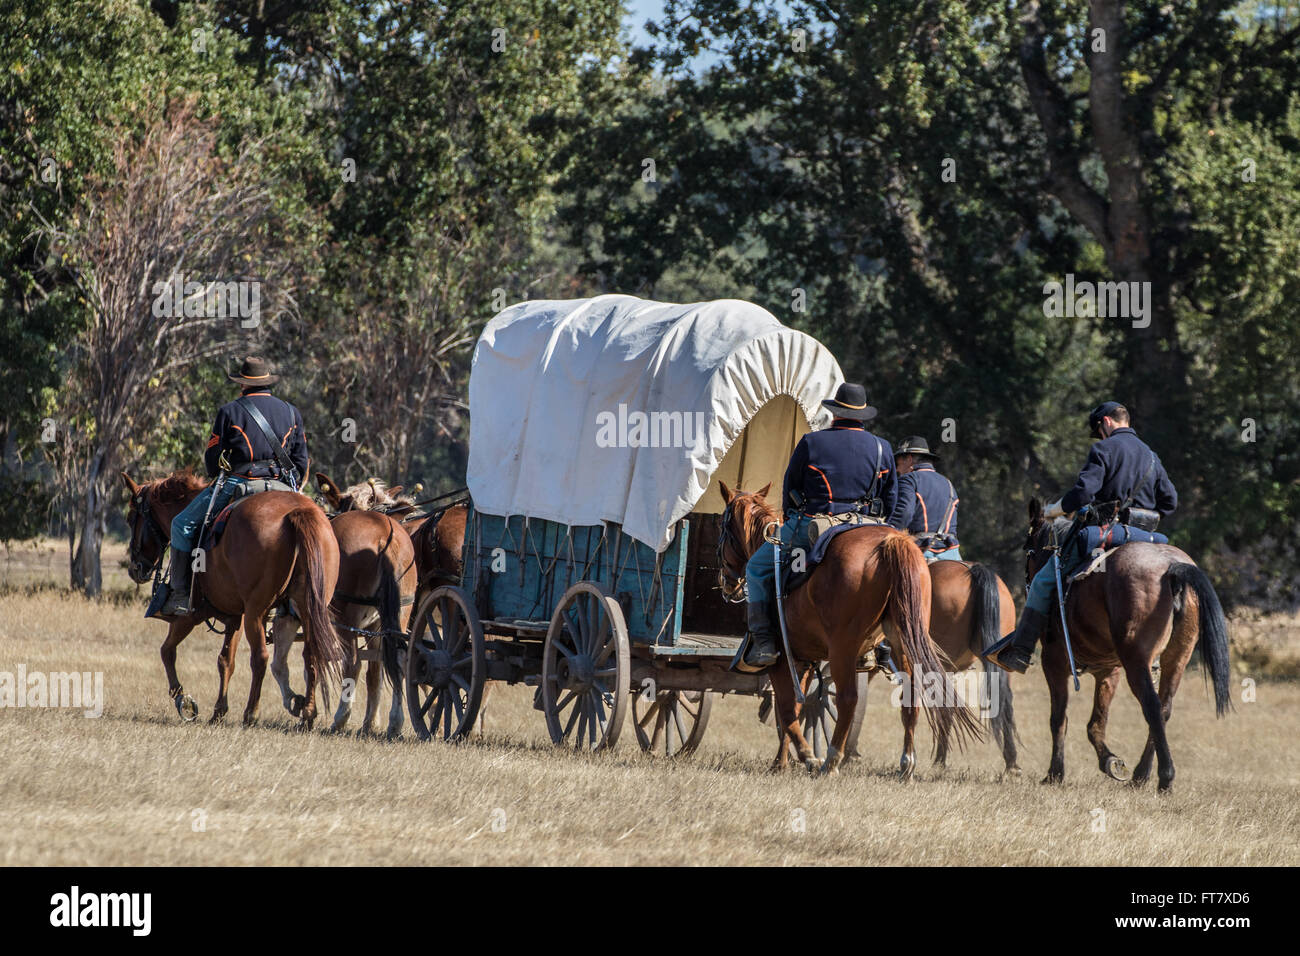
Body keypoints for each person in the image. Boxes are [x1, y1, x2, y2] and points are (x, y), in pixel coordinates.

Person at [982, 401, 1177, 673]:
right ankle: (1154, 653)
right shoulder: (1152, 456)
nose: (1099, 436)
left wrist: (1057, 508)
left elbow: (1083, 493)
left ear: (1107, 422)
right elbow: (1170, 502)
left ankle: (1021, 651)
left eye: (1099, 430)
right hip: (1145, 538)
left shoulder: (1103, 449)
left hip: (1103, 536)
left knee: (1042, 581)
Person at [736, 382, 897, 671]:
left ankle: (763, 642)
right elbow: (891, 497)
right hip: (870, 524)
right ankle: (879, 644)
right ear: (862, 416)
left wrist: (792, 516)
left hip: (815, 522)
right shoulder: (882, 447)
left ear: (834, 412)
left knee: (756, 570)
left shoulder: (812, 442)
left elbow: (791, 489)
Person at [154, 356, 309, 616]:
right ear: (268, 383)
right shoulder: (292, 412)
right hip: (283, 488)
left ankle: (180, 594)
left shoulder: (230, 411)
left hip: (241, 483)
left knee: (182, 526)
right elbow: (301, 461)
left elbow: (213, 463)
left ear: (243, 385)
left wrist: (222, 467)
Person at [888, 435, 961, 561]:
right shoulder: (948, 483)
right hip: (952, 553)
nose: (898, 470)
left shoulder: (909, 480)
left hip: (921, 551)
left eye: (898, 464)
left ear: (909, 459)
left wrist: (886, 532)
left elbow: (903, 515)